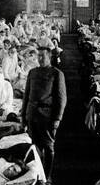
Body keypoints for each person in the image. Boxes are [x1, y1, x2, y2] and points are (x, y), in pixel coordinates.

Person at [20, 44, 67, 176]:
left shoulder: (57, 74)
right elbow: (26, 96)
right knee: (34, 147)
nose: (40, 59)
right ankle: (38, 176)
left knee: (48, 147)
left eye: (43, 56)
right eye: (38, 56)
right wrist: (23, 116)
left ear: (49, 57)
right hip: (32, 114)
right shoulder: (32, 72)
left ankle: (48, 176)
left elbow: (61, 99)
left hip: (47, 116)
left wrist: (57, 118)